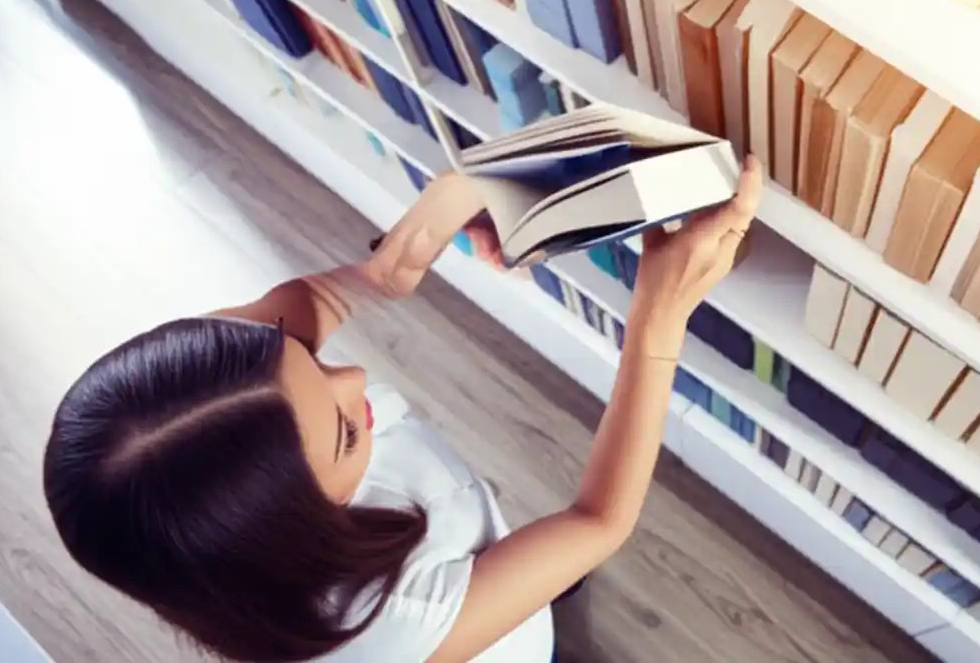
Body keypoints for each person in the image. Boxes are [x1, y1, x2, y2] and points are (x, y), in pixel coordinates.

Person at [42, 157, 763, 662]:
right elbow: (596, 520)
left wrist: (404, 250)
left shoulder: (202, 397)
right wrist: (659, 318)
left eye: (307, 358)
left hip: (452, 531)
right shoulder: (388, 623)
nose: (355, 373)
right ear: (292, 531)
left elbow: (308, 307)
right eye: (345, 429)